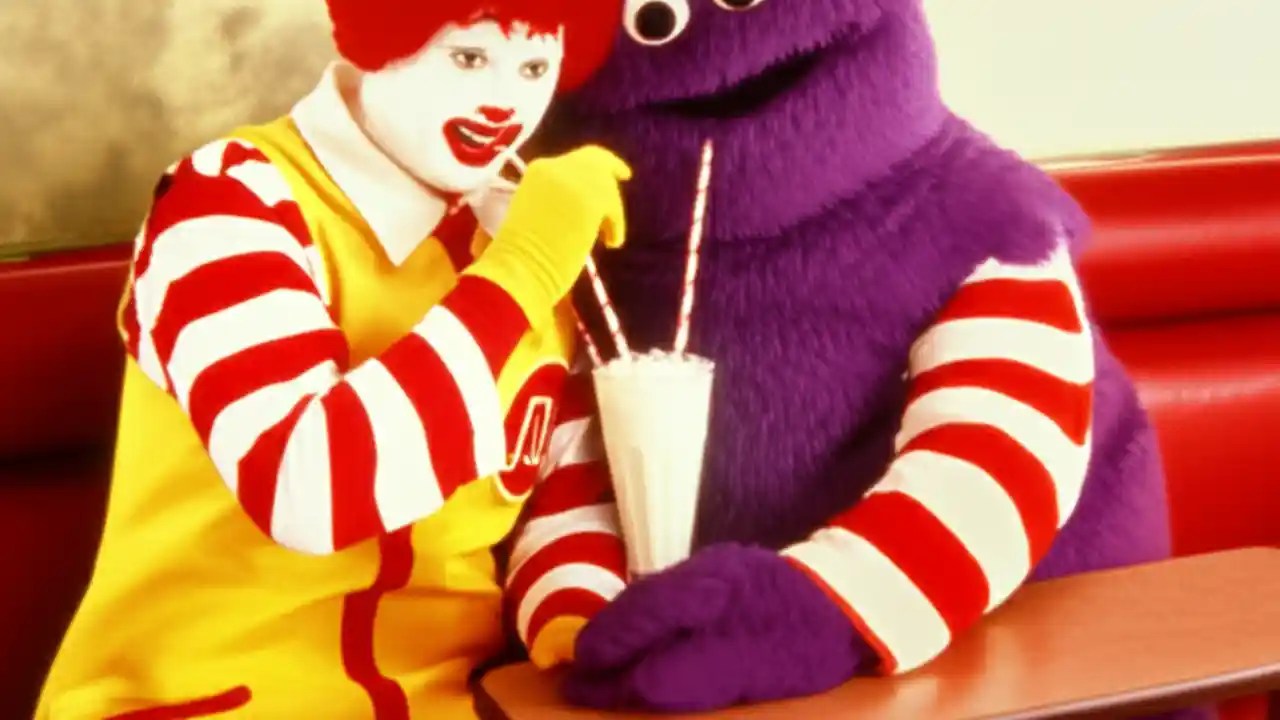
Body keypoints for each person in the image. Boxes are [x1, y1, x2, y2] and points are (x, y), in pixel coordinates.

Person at [36, 1, 626, 717]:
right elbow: (307, 488)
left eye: (534, 67)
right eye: (468, 58)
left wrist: (577, 618)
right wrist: (525, 271)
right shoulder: (230, 199)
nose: (504, 102)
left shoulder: (516, 231)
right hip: (194, 702)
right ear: (381, 37)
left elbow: (561, 489)